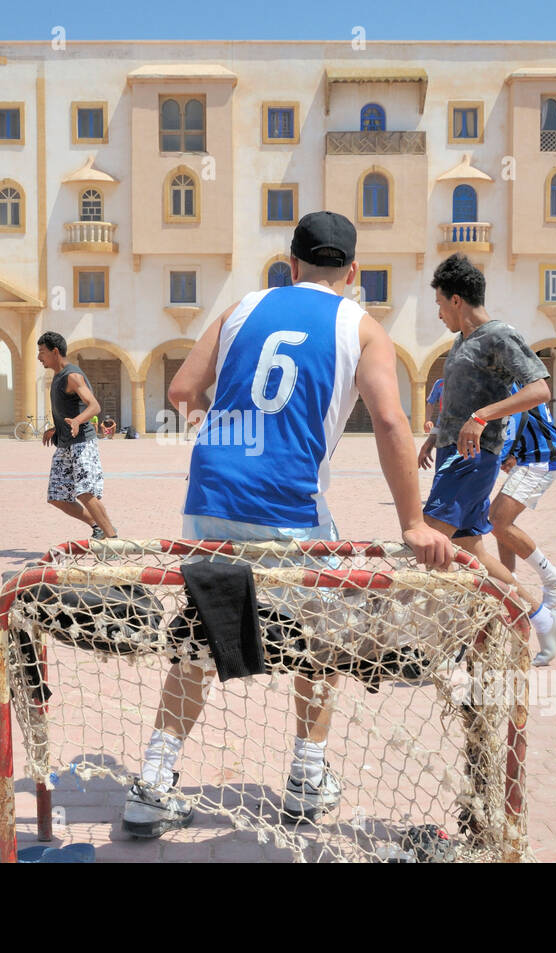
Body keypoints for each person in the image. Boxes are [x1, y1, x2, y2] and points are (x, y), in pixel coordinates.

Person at [122, 211, 453, 838]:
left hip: (212, 495)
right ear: (352, 272)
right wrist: (412, 522)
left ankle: (152, 787)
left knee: (199, 642)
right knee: (319, 639)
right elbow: (389, 421)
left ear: (290, 263)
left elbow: (183, 390)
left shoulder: (242, 307)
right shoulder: (361, 327)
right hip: (290, 506)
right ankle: (305, 776)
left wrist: (224, 437)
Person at [417, 254, 556, 667]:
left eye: (439, 305)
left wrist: (482, 417)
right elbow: (459, 398)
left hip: (472, 459)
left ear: (455, 300)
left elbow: (539, 390)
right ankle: (543, 617)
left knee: (428, 544)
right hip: (452, 454)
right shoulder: (461, 341)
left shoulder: (498, 335)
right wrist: (434, 437)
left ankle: (435, 646)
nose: (438, 313)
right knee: (471, 552)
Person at [492, 392, 556, 650]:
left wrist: (502, 455)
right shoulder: (512, 375)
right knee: (497, 521)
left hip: (541, 457)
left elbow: (517, 414)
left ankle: (552, 577)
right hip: (532, 455)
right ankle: (510, 586)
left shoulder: (508, 377)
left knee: (498, 522)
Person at [37, 332, 117, 540]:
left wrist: (77, 421)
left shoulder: (72, 376)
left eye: (42, 352)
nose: (39, 357)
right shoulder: (57, 376)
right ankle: (96, 525)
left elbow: (94, 406)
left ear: (55, 352)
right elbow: (69, 408)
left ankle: (113, 540)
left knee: (84, 492)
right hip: (64, 444)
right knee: (57, 496)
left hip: (82, 443)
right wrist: (56, 428)